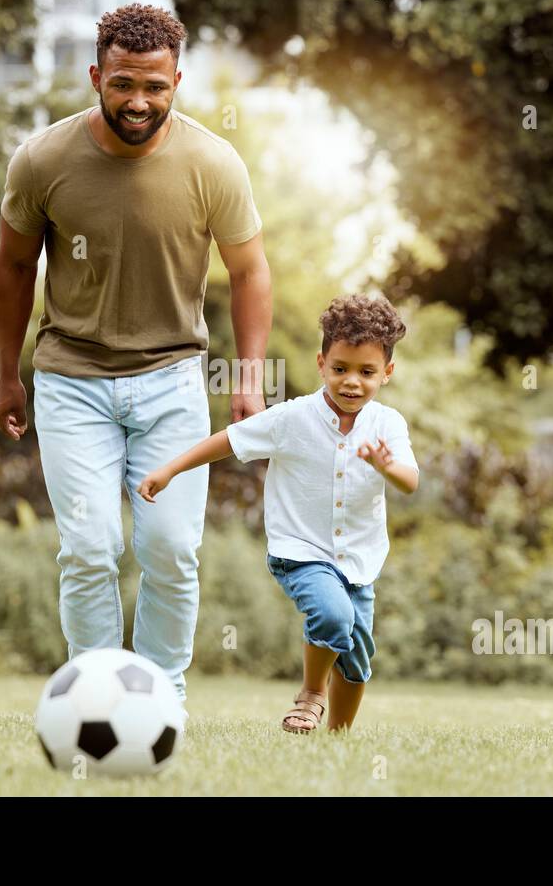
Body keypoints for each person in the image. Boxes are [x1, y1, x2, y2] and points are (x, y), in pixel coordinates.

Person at [0, 3, 272, 704]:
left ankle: (162, 698)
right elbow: (12, 266)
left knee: (172, 551)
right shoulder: (43, 160)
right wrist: (6, 374)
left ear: (178, 79)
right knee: (88, 550)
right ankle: (93, 693)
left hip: (171, 382)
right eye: (122, 85)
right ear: (95, 76)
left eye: (154, 86)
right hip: (70, 380)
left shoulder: (213, 163)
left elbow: (250, 271)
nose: (138, 102)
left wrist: (249, 375)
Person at [138, 294, 419, 732]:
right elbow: (230, 440)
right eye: (340, 368)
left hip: (360, 560)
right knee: (333, 616)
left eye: (366, 372)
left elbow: (409, 481)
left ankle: (337, 736)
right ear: (321, 362)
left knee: (357, 655)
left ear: (387, 372)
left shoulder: (389, 425)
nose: (351, 382)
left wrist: (386, 466)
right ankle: (311, 693)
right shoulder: (292, 418)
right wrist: (170, 469)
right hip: (301, 551)